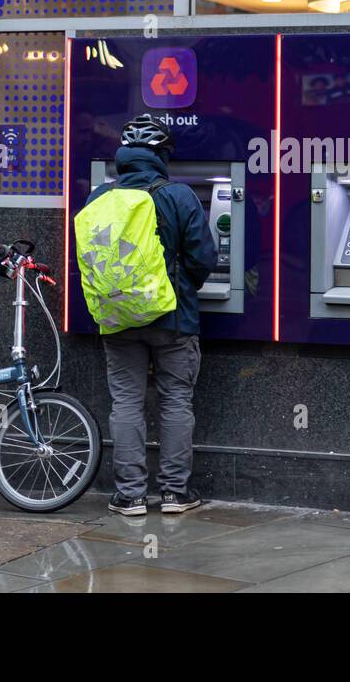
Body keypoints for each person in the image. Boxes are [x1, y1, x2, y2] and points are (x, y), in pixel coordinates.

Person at [84, 113, 216, 516]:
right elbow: (203, 258)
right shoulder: (179, 196)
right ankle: (175, 494)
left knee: (126, 403)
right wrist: (180, 286)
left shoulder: (99, 198)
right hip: (174, 318)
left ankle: (131, 496)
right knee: (176, 401)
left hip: (119, 316)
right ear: (162, 156)